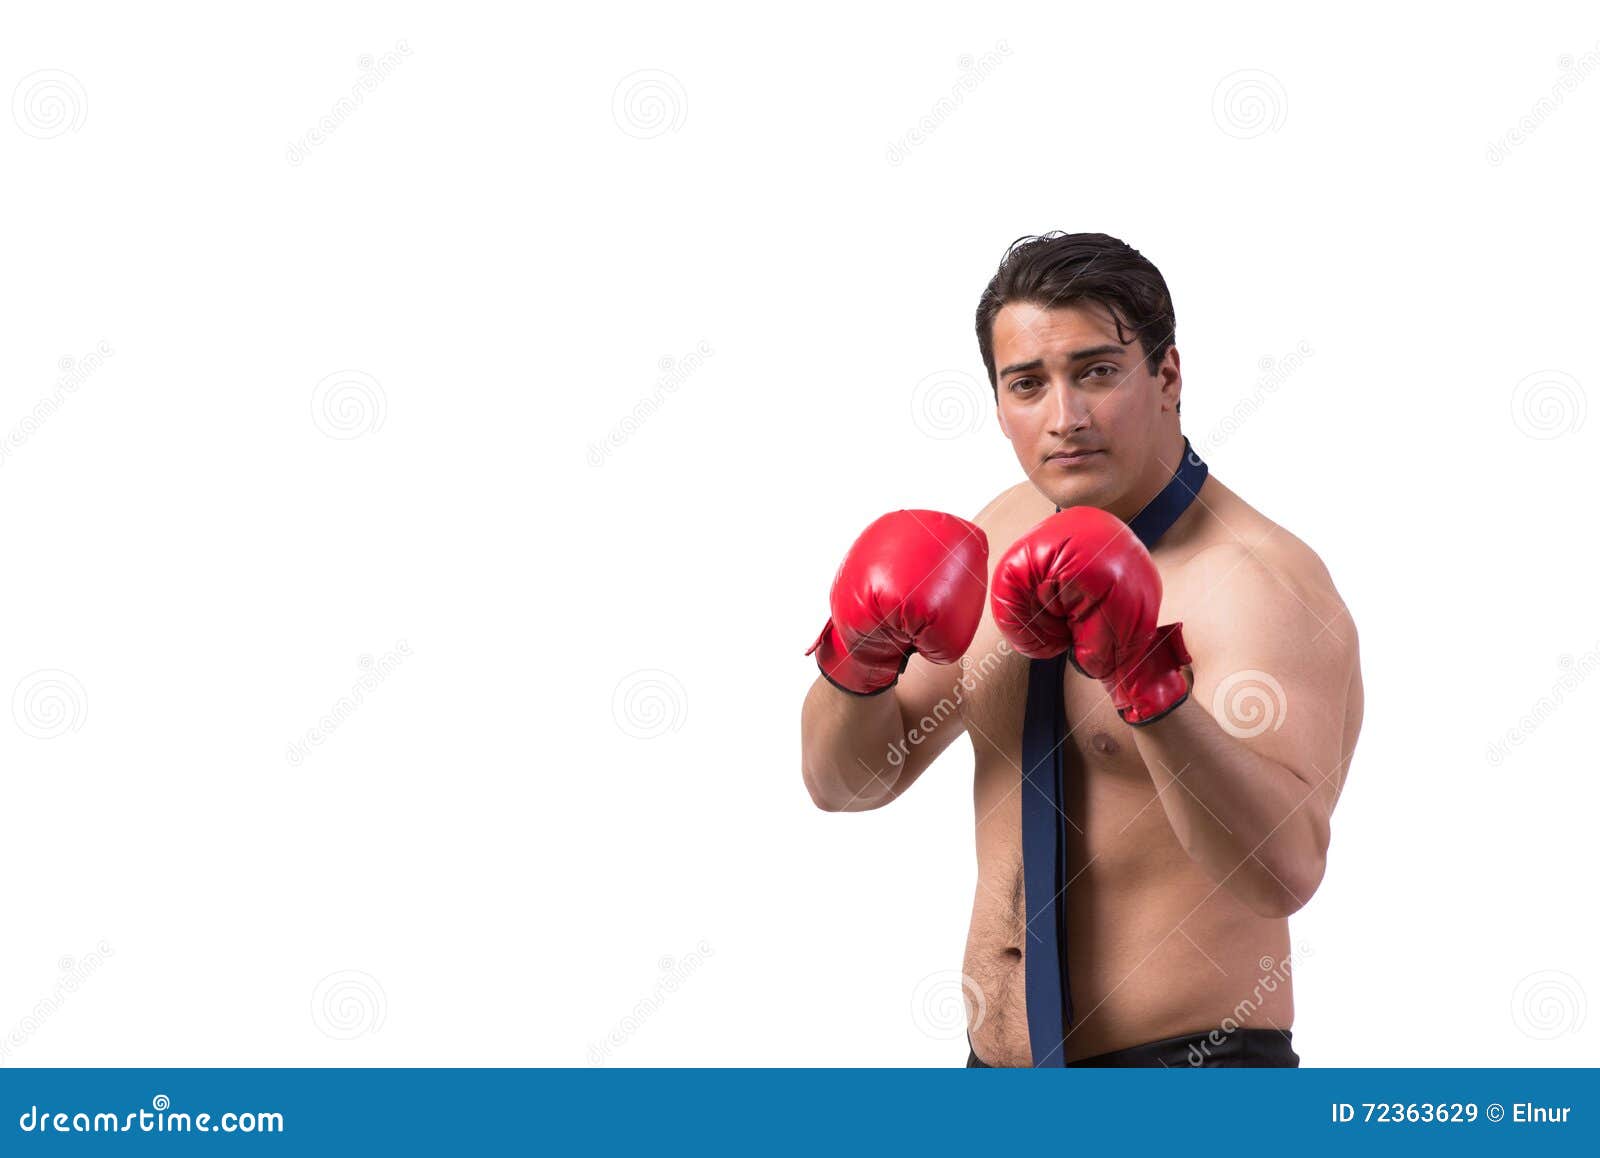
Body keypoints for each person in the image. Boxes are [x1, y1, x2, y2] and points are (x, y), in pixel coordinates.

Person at [799, 232, 1363, 1067]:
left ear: (1167, 377)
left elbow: (1285, 871)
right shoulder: (1000, 534)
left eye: (1097, 372)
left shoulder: (1259, 586)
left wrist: (1148, 683)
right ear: (997, 403)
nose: (1064, 418)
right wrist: (858, 656)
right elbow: (846, 784)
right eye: (1028, 384)